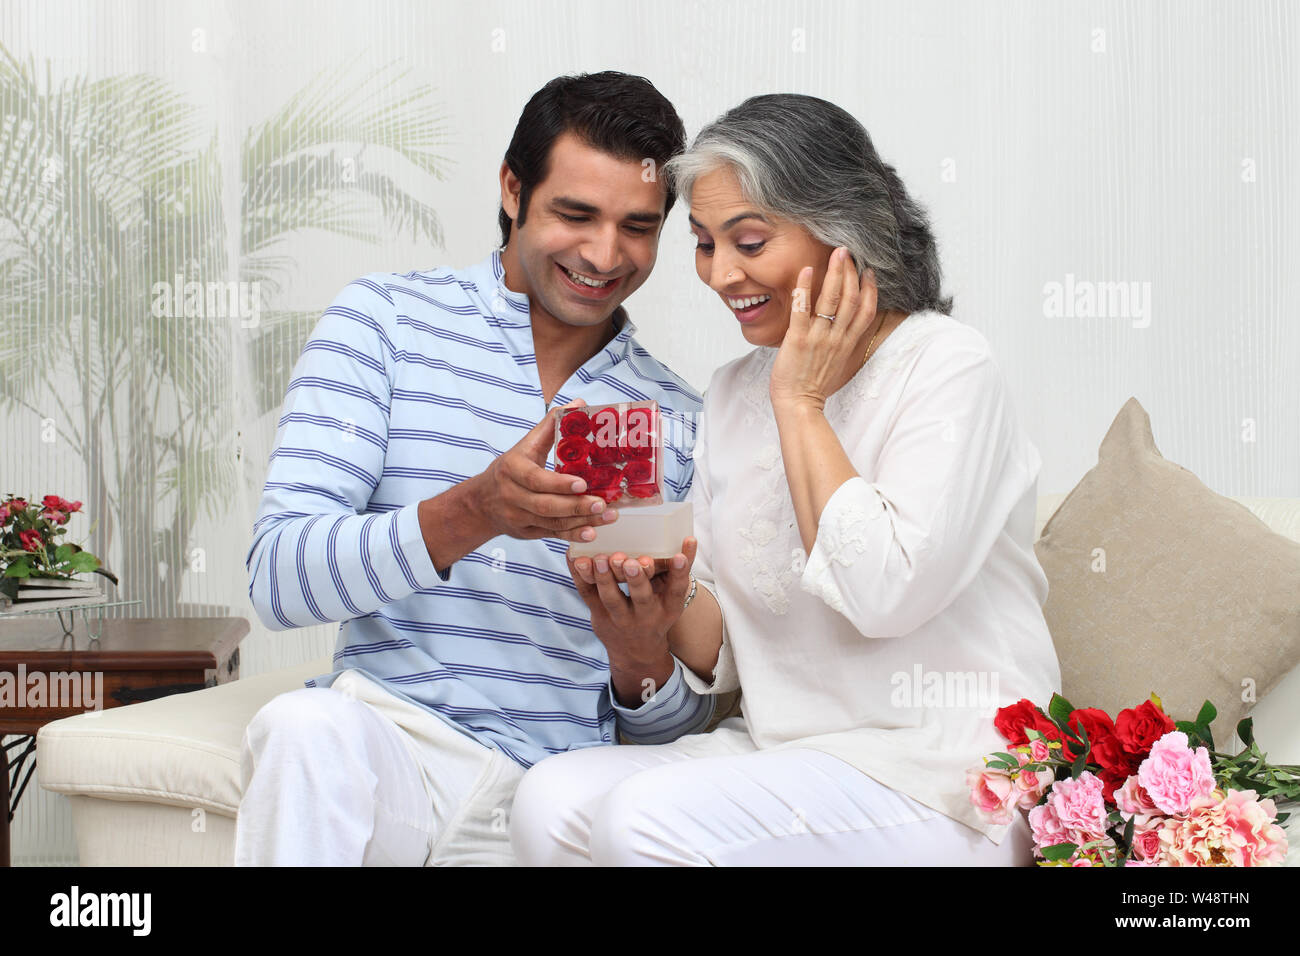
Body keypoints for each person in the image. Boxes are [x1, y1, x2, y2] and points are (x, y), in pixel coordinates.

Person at [509, 93, 1062, 866]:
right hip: (786, 751)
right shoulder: (734, 390)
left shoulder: (947, 365)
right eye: (704, 244)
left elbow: (884, 595)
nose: (720, 273)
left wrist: (800, 403)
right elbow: (728, 639)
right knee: (552, 799)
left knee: (642, 818)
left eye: (750, 240)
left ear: (843, 232)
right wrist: (650, 593)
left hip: (944, 772)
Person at [236, 72, 716, 867]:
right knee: (303, 728)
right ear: (512, 188)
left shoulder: (681, 418)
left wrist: (639, 659)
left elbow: (675, 736)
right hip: (398, 747)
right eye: (575, 214)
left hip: (564, 790)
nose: (604, 255)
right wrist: (475, 511)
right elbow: (279, 583)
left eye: (638, 226)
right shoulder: (384, 323)